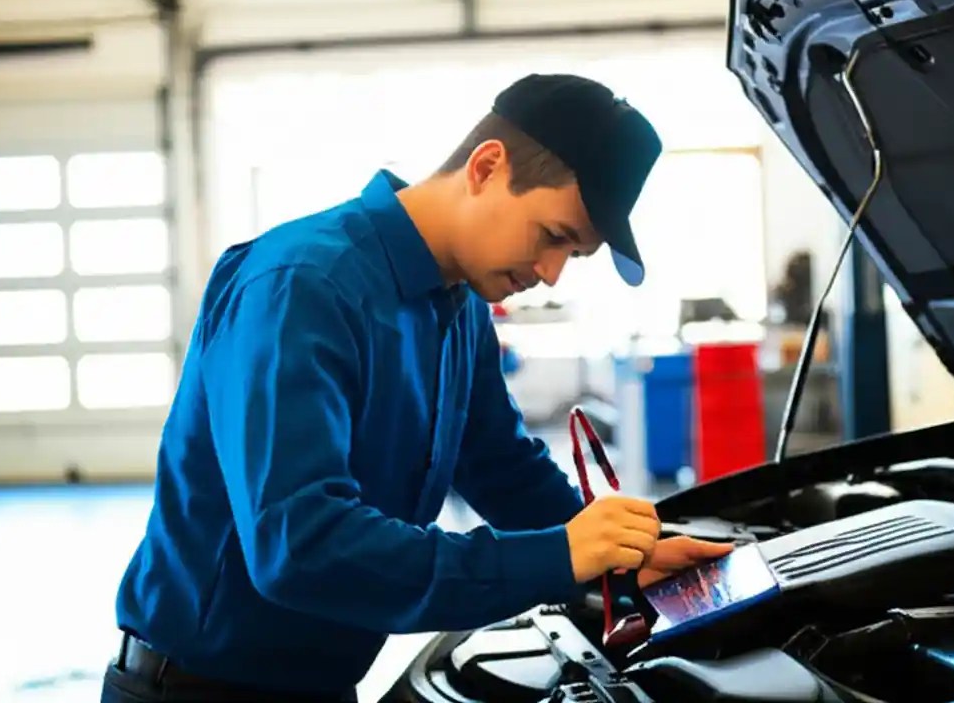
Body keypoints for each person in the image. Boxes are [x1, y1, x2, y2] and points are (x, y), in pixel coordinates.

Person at [101, 73, 733, 703]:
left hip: (319, 683)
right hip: (196, 690)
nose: (549, 274)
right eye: (553, 236)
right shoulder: (302, 287)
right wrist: (557, 557)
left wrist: (619, 560)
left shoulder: (461, 306)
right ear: (487, 167)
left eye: (574, 255)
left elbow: (500, 465)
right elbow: (300, 545)